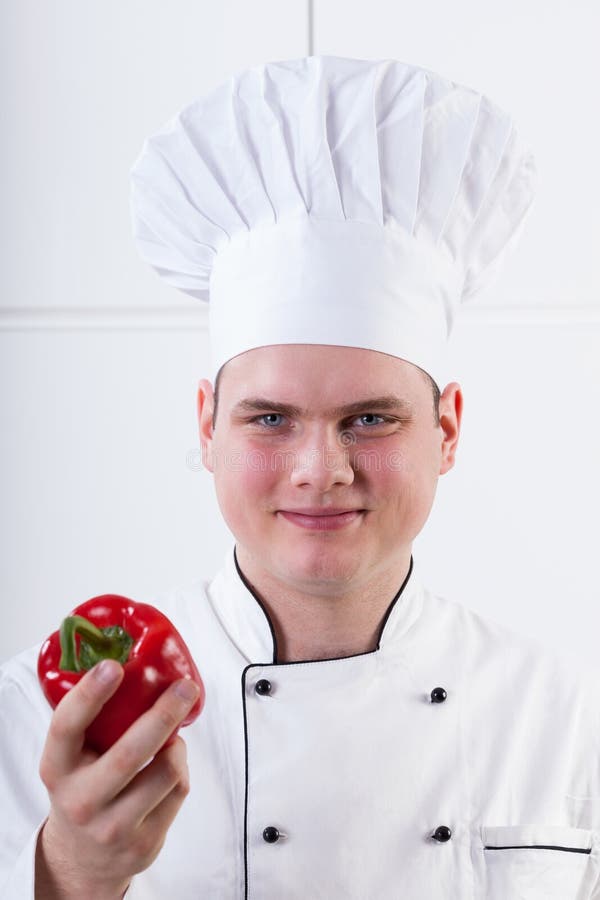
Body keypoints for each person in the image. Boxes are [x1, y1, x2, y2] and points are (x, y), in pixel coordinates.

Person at [2, 54, 600, 900]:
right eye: (271, 419)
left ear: (449, 429)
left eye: (372, 417)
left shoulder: (568, 719)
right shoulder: (41, 712)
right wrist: (71, 875)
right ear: (208, 426)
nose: (321, 472)